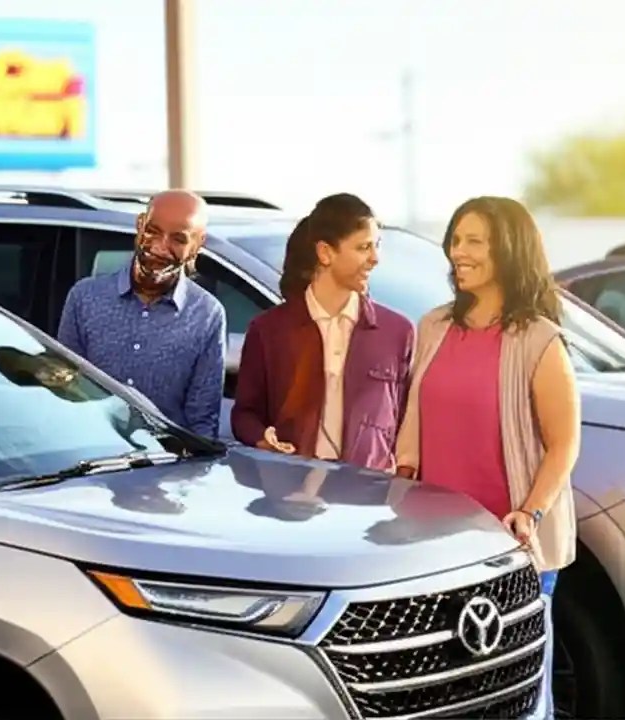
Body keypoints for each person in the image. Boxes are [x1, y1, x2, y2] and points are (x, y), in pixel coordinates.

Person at [393, 195, 580, 719]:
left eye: (475, 240)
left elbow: (564, 442)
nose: (459, 251)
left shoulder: (538, 339)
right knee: (446, 688)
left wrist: (532, 511)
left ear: (508, 250)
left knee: (519, 691)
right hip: (436, 548)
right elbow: (415, 421)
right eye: (455, 239)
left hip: (513, 545)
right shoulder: (433, 326)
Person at [231, 193, 414, 471]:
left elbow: (406, 426)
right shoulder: (269, 330)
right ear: (325, 253)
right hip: (291, 495)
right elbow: (245, 415)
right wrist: (263, 440)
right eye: (364, 247)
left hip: (367, 498)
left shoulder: (397, 332)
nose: (375, 259)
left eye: (377, 246)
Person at [57, 189, 227, 438]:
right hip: (89, 455)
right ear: (139, 225)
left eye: (178, 239)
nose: (160, 247)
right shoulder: (84, 298)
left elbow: (202, 421)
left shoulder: (208, 315)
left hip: (165, 467)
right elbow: (64, 393)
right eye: (153, 231)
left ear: (197, 246)